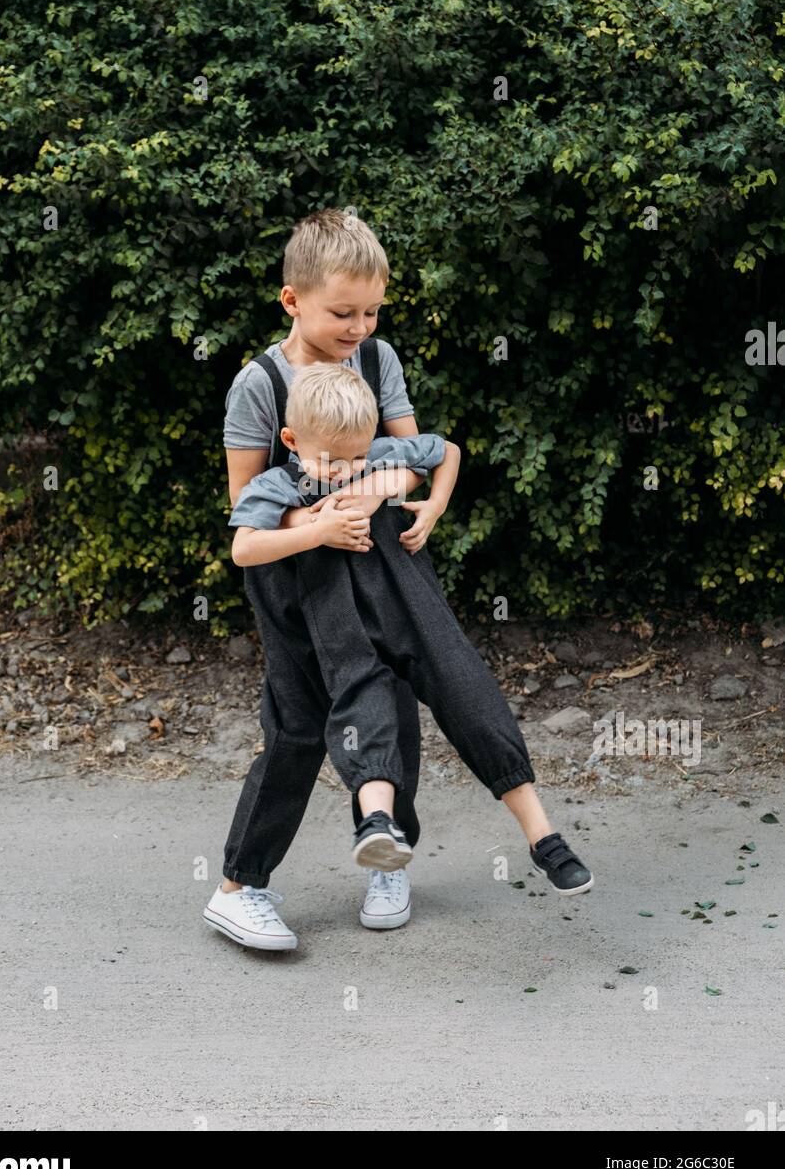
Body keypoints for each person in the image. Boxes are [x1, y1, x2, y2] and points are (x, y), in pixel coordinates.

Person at [204, 362, 593, 952]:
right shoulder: (277, 469)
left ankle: (542, 837)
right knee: (352, 703)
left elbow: (443, 451)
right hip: (320, 599)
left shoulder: (374, 405)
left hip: (393, 580)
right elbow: (244, 544)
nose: (346, 473)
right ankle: (348, 839)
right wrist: (317, 529)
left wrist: (434, 502)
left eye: (356, 459)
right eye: (332, 463)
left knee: (463, 684)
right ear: (291, 441)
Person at [217, 208, 453, 940]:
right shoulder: (259, 382)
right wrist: (318, 525)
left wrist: (404, 500)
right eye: (343, 312)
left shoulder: (379, 362)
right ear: (293, 300)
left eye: (373, 311)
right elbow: (245, 506)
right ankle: (238, 885)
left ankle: (389, 857)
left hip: (375, 566)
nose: (359, 328)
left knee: (389, 705)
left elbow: (409, 462)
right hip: (293, 578)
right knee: (295, 726)